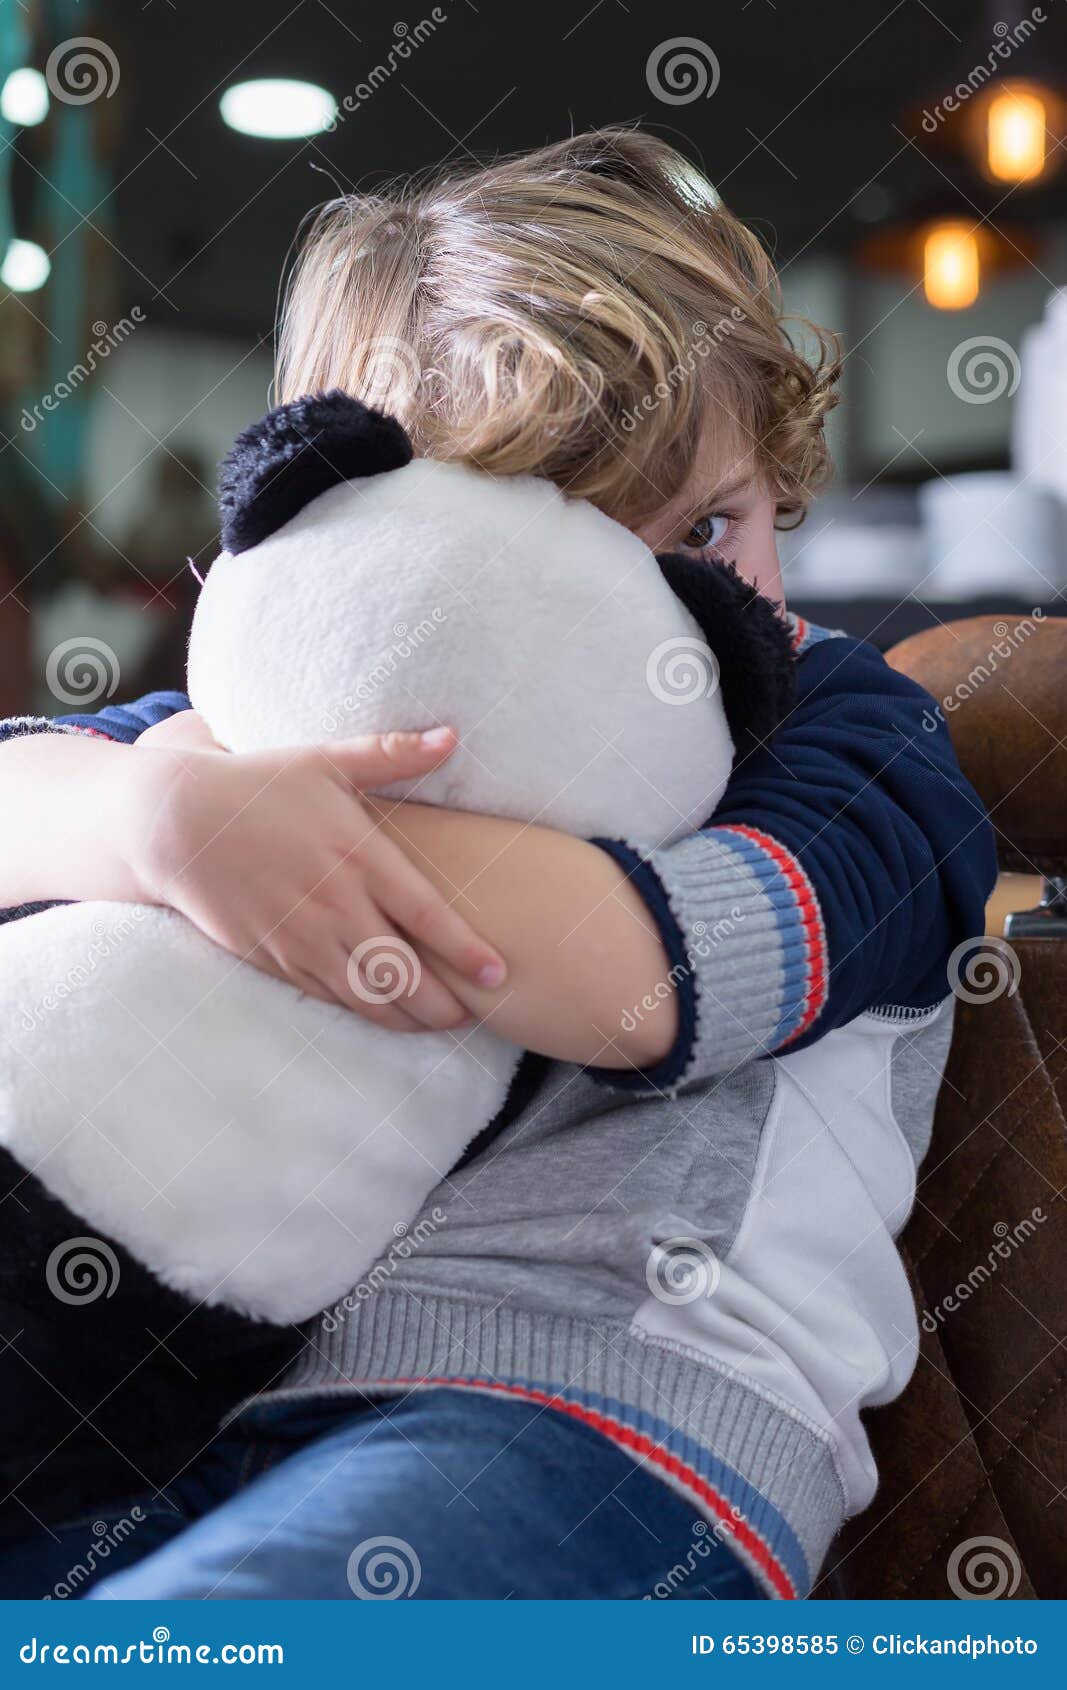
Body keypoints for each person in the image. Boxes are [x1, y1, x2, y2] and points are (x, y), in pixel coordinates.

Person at [0, 130, 996, 1601]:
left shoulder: (851, 730)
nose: (656, 614)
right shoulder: (324, 715)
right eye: (545, 545)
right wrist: (161, 815)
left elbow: (644, 975)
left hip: (614, 1408)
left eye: (708, 526)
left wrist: (265, 824)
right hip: (201, 1400)